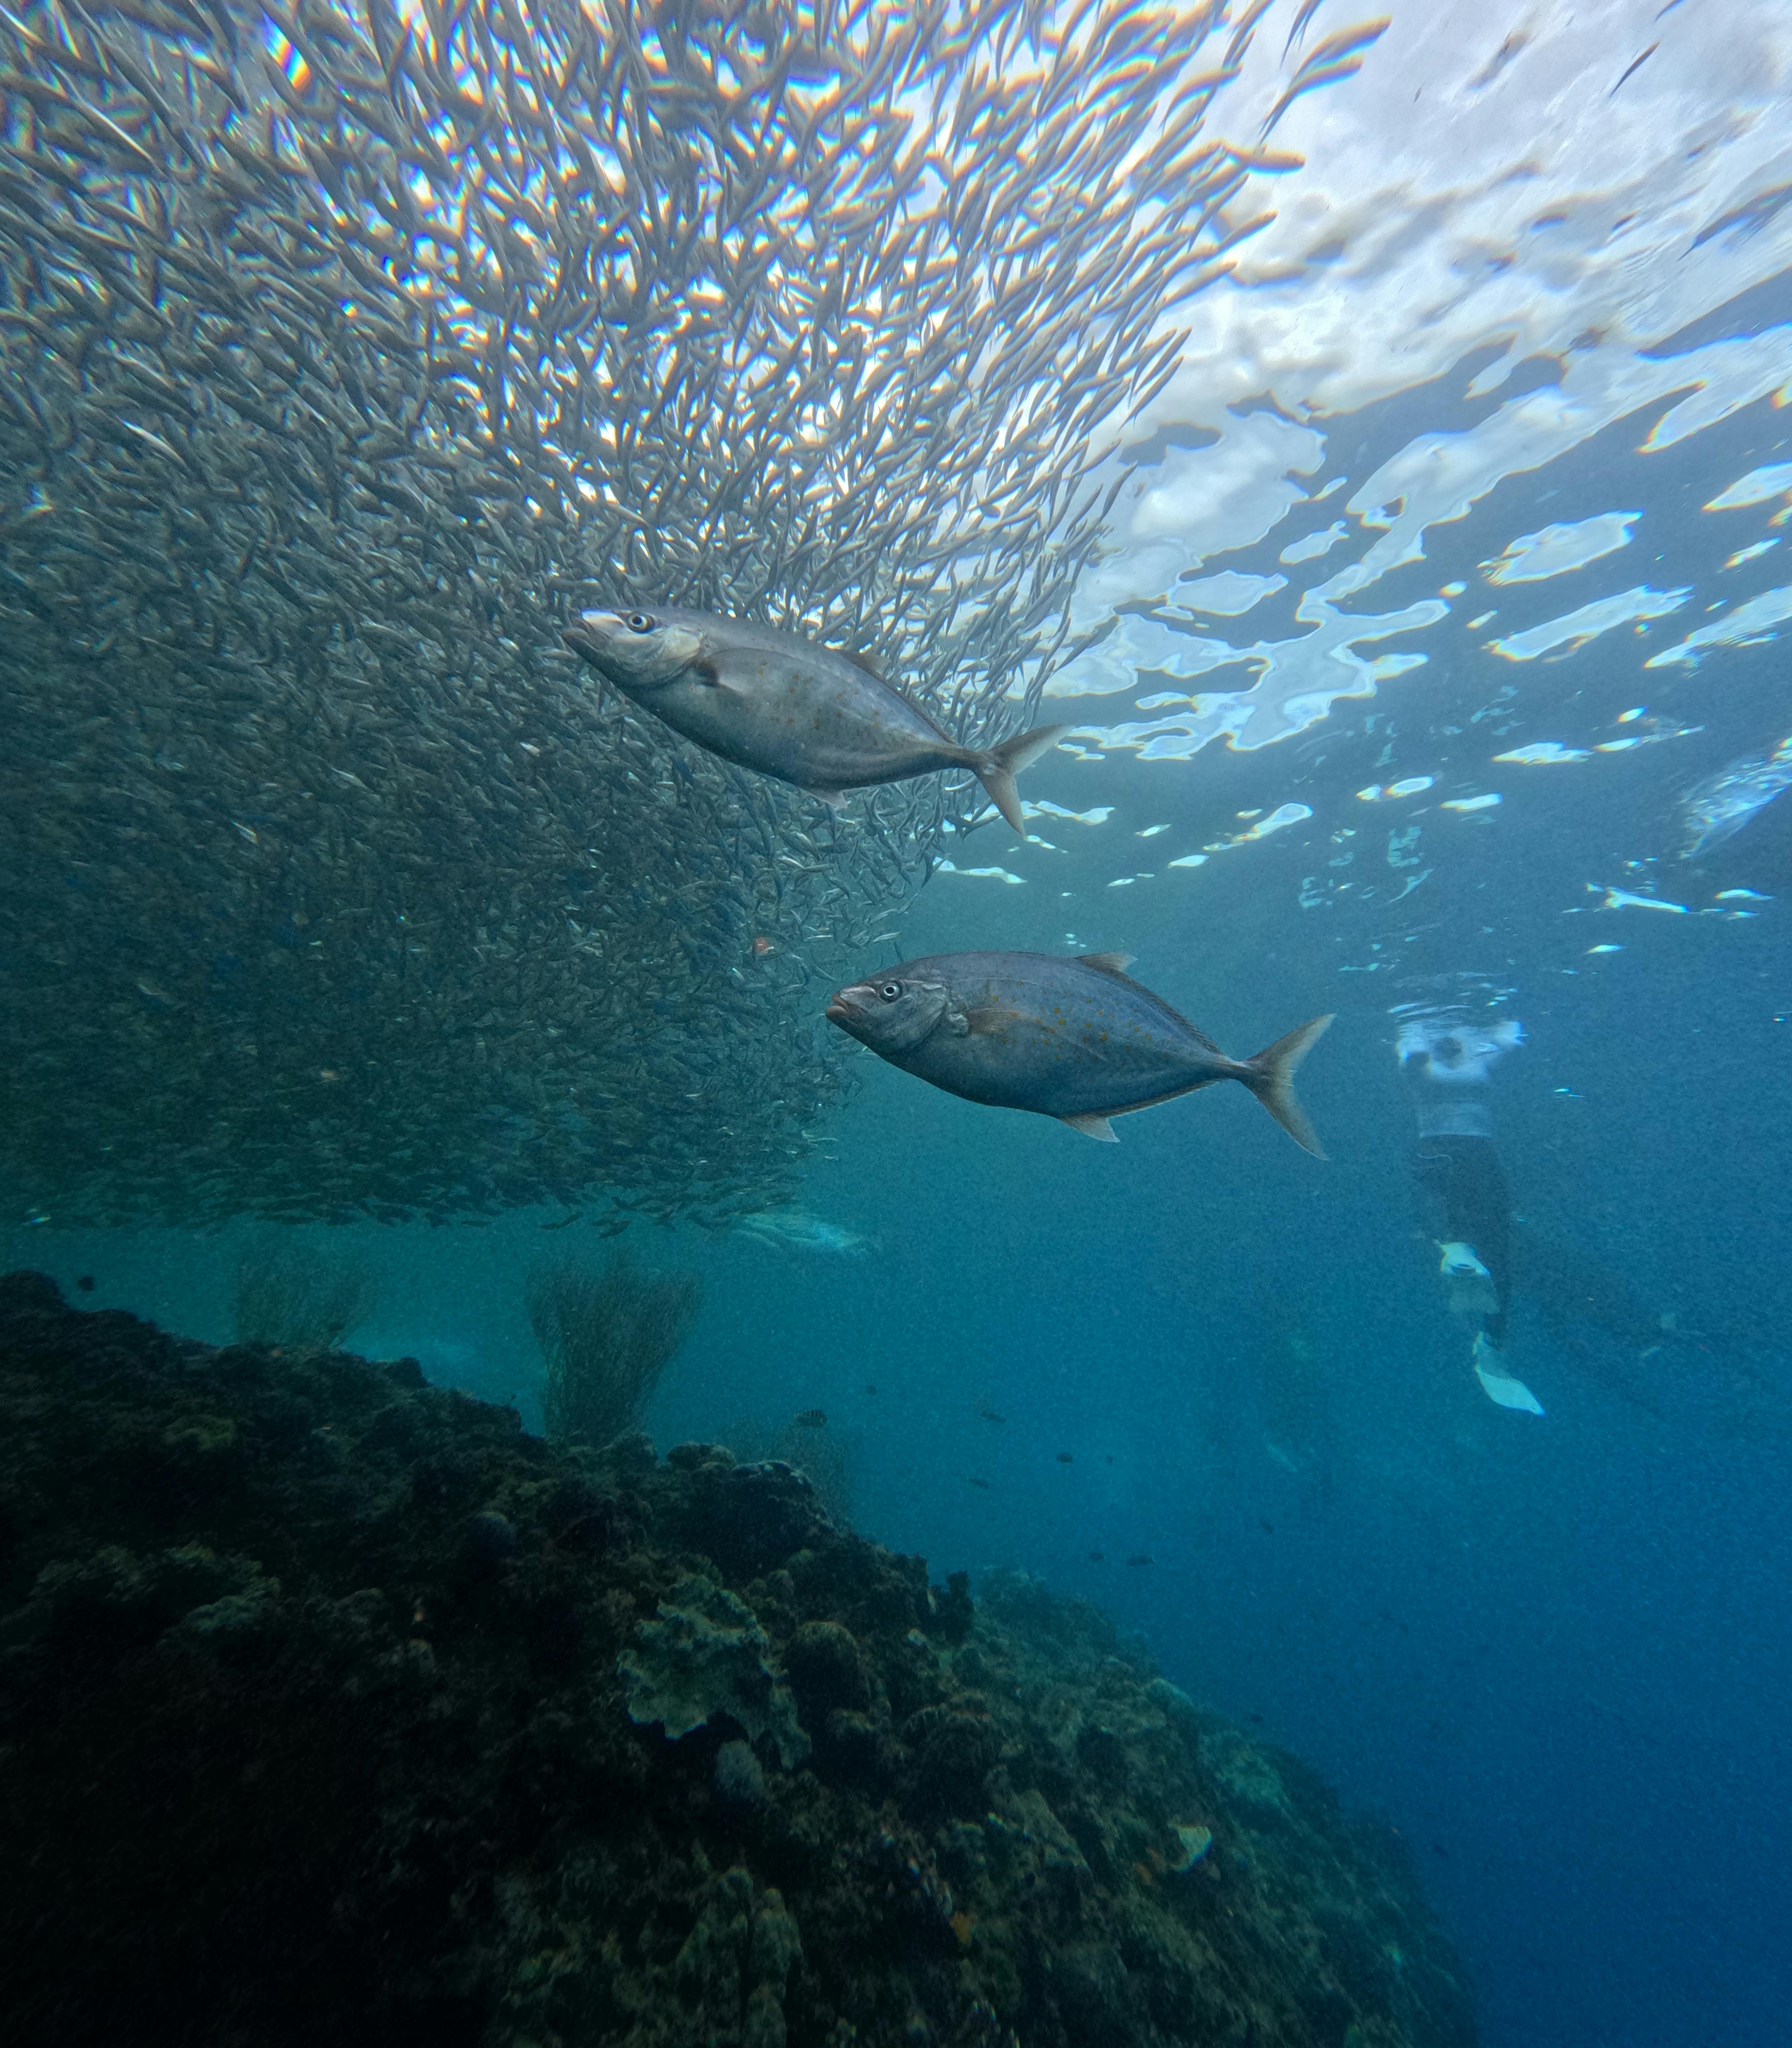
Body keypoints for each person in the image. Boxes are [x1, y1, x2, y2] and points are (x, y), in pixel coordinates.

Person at [1397, 1010, 1544, 1414]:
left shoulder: (1477, 1048)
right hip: (1436, 1149)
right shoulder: (1414, 1036)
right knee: (1449, 1204)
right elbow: (1412, 1070)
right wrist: (1428, 1053)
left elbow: (1509, 1047)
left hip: (1481, 1153)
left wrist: (1505, 1035)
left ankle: (1494, 1342)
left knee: (1500, 1248)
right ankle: (1454, 1249)